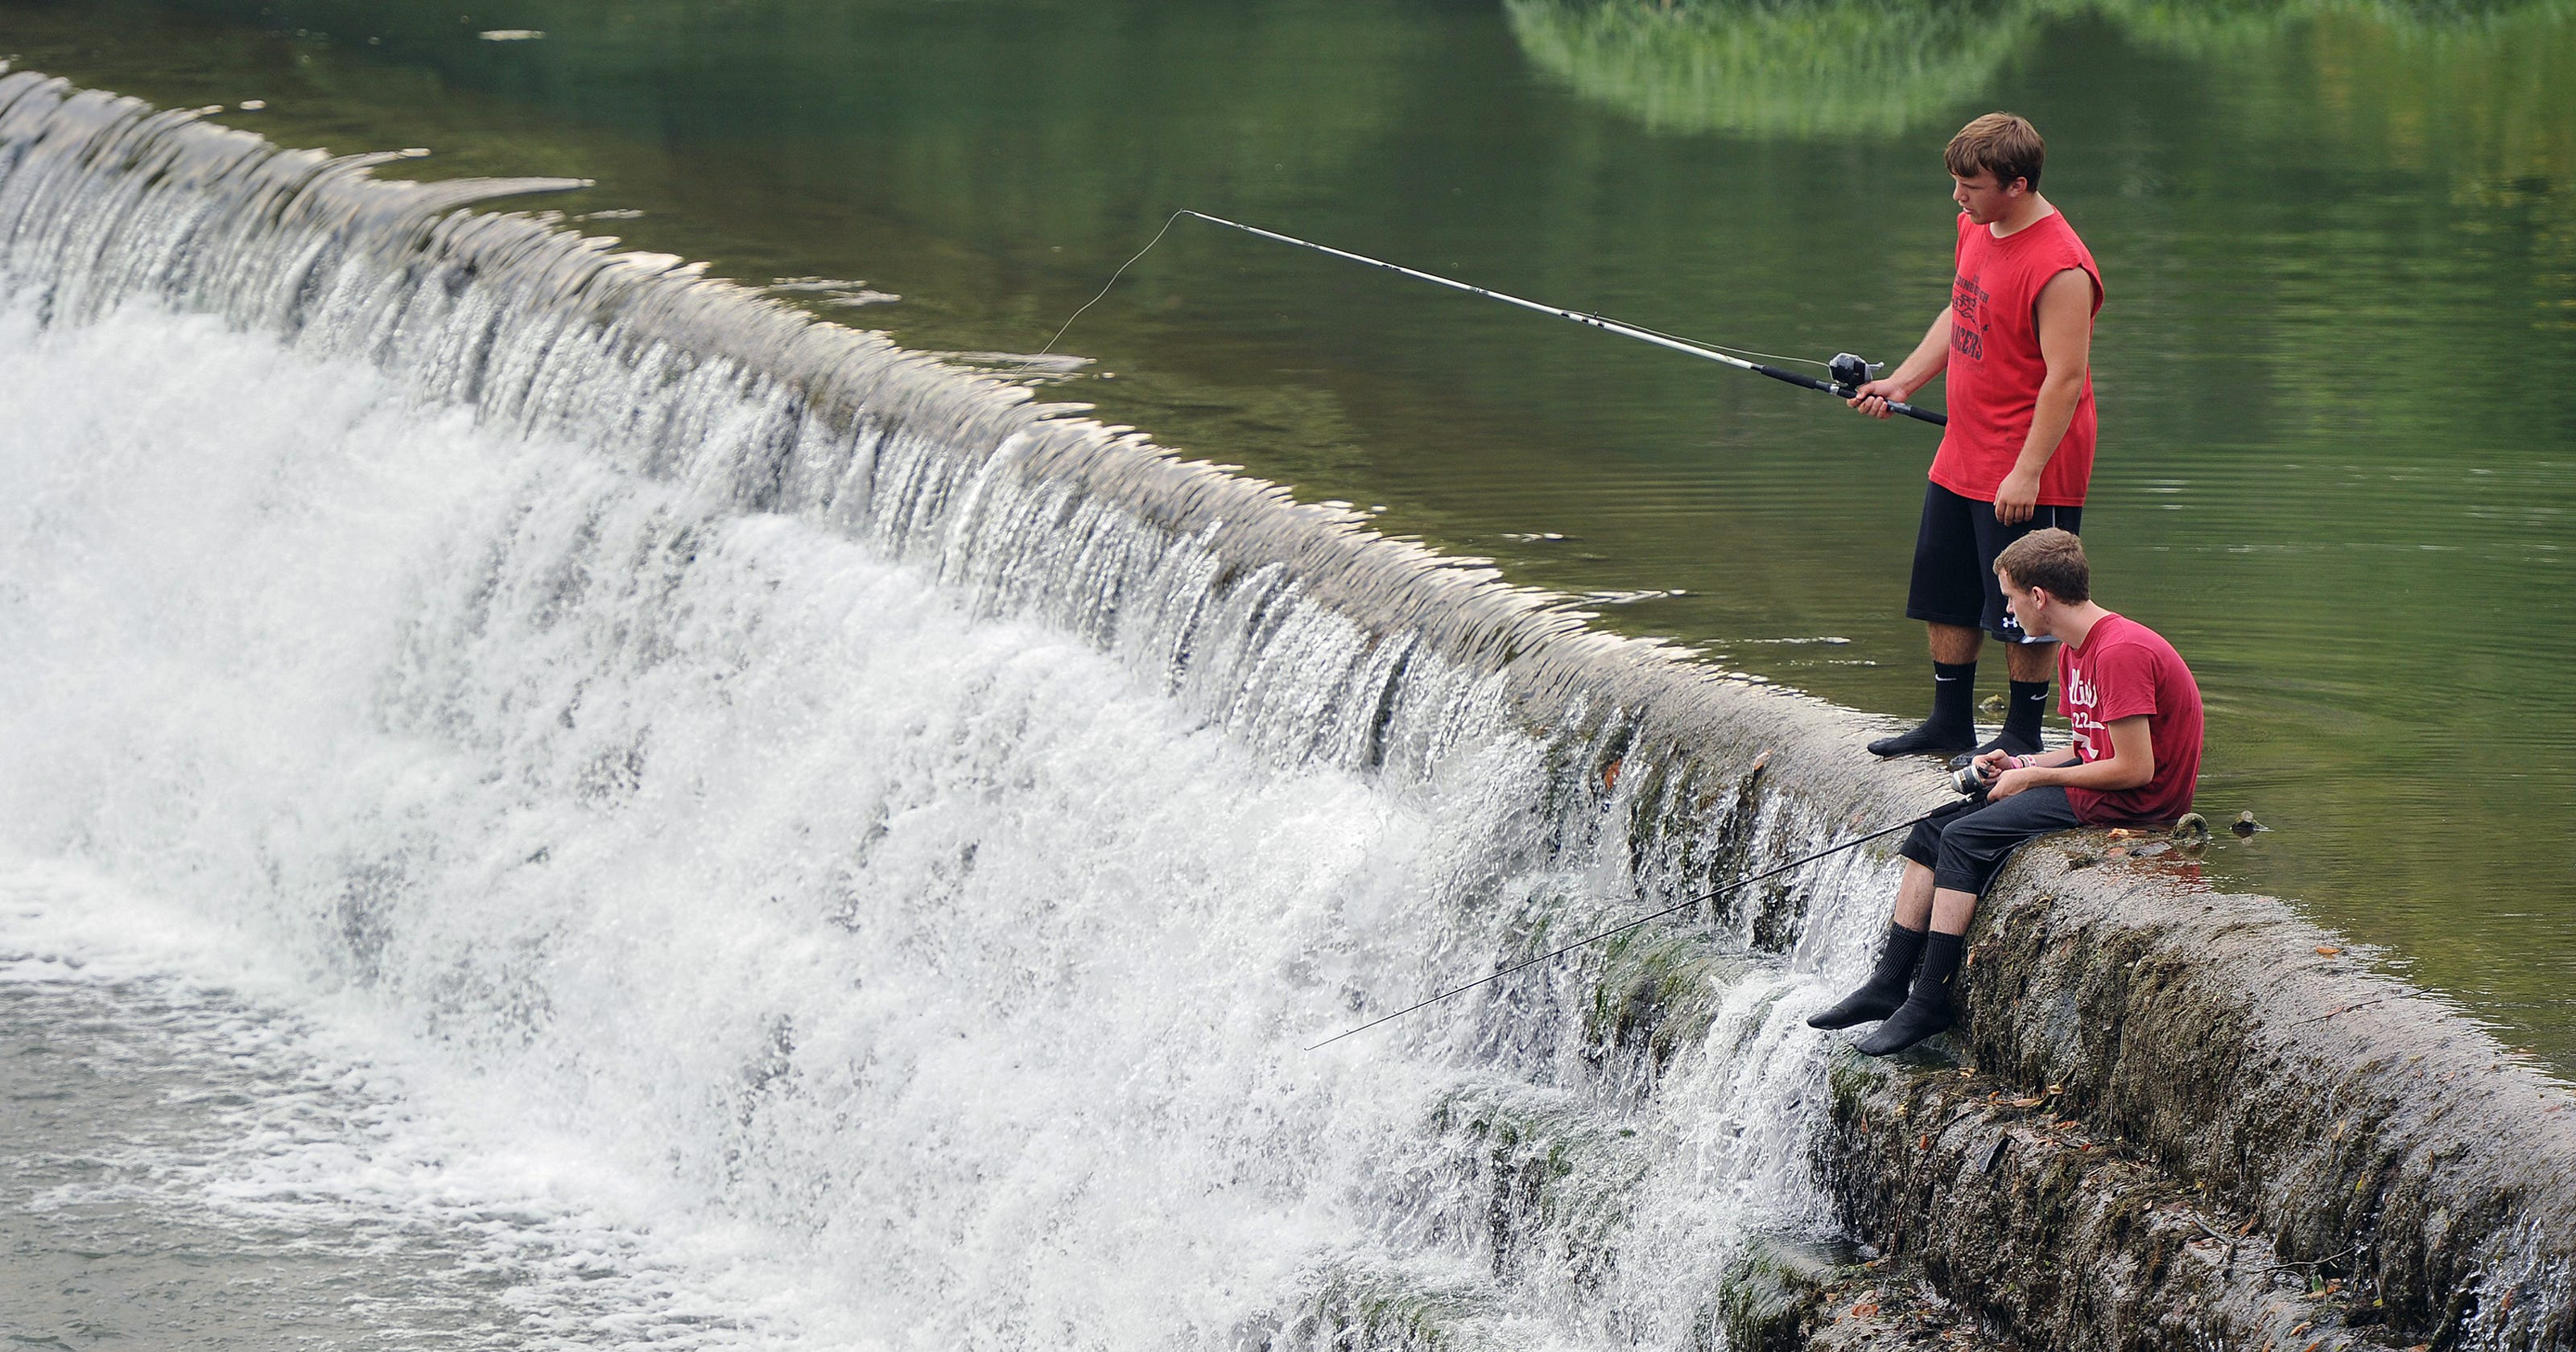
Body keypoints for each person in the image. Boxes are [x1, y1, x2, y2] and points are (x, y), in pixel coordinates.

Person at [1808, 529, 2202, 1056]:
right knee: (1933, 828)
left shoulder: (2118, 652)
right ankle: (1887, 982)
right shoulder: (2075, 650)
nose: (2008, 611)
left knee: (1963, 840)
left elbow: (2134, 768)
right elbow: (2087, 747)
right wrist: (2020, 763)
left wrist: (2034, 779)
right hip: (2105, 786)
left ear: (2039, 596)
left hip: (2137, 801)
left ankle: (1929, 1000)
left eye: (2011, 598)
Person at [1850, 112, 2104, 765]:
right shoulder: (1977, 226)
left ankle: (2021, 733)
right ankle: (1948, 723)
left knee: (2029, 601)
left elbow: (2066, 379)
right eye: (1956, 182)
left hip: (2030, 461)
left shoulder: (2062, 267)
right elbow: (1960, 310)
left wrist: (2028, 471)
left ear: (2017, 185)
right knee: (1947, 589)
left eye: (1971, 185)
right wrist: (1903, 382)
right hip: (1963, 448)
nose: (1957, 196)